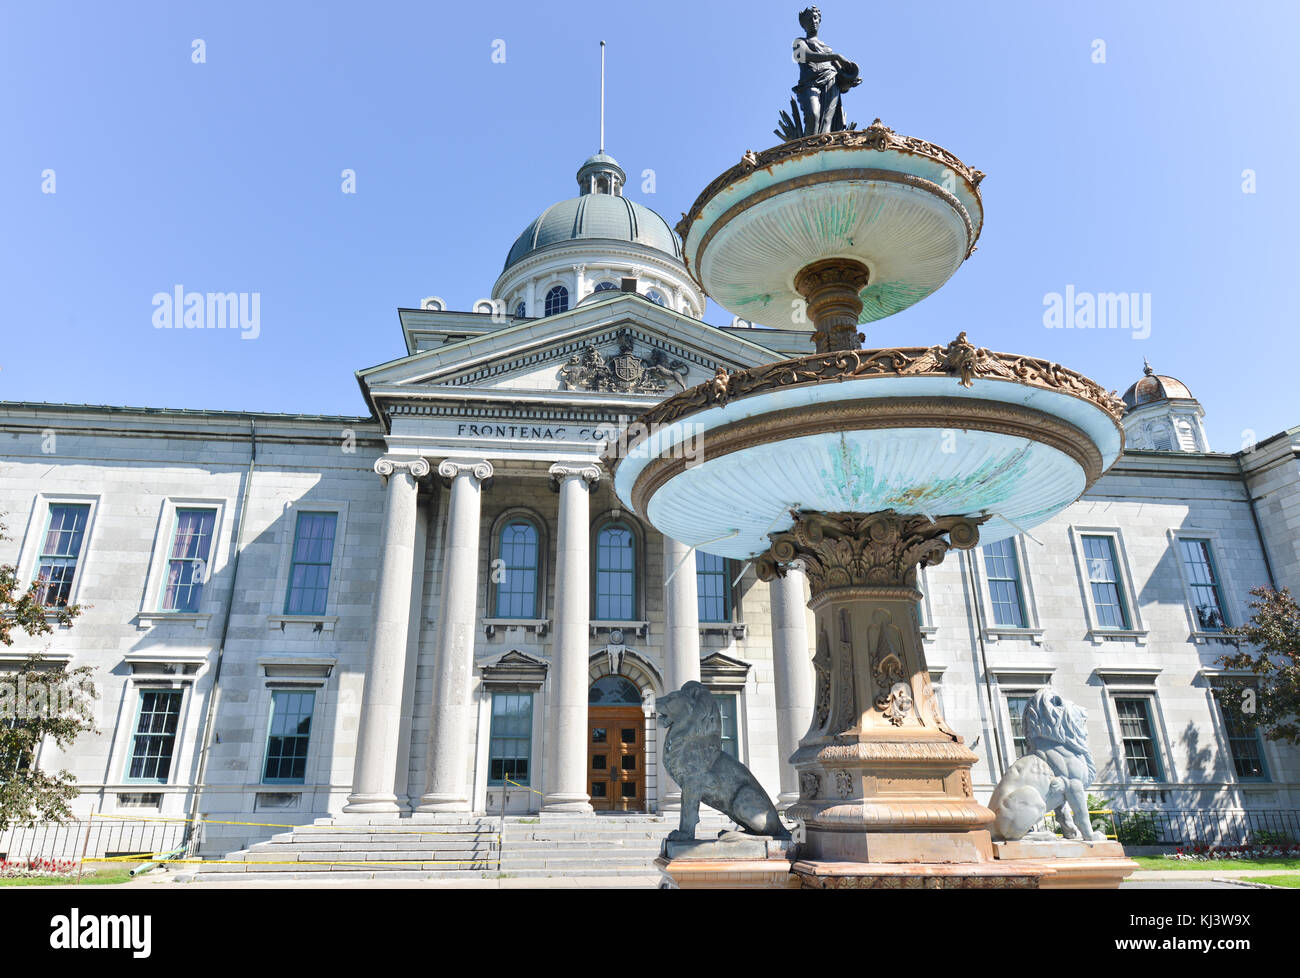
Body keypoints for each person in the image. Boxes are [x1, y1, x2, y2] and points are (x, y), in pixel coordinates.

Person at [791, 6, 861, 135]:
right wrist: (835, 56)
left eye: (815, 18)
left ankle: (824, 145)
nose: (813, 21)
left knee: (827, 119)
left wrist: (850, 79)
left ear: (819, 20)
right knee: (813, 115)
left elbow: (841, 77)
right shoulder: (799, 42)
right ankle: (809, 148)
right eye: (809, 19)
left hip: (831, 82)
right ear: (803, 23)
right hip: (810, 85)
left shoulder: (827, 49)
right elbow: (804, 55)